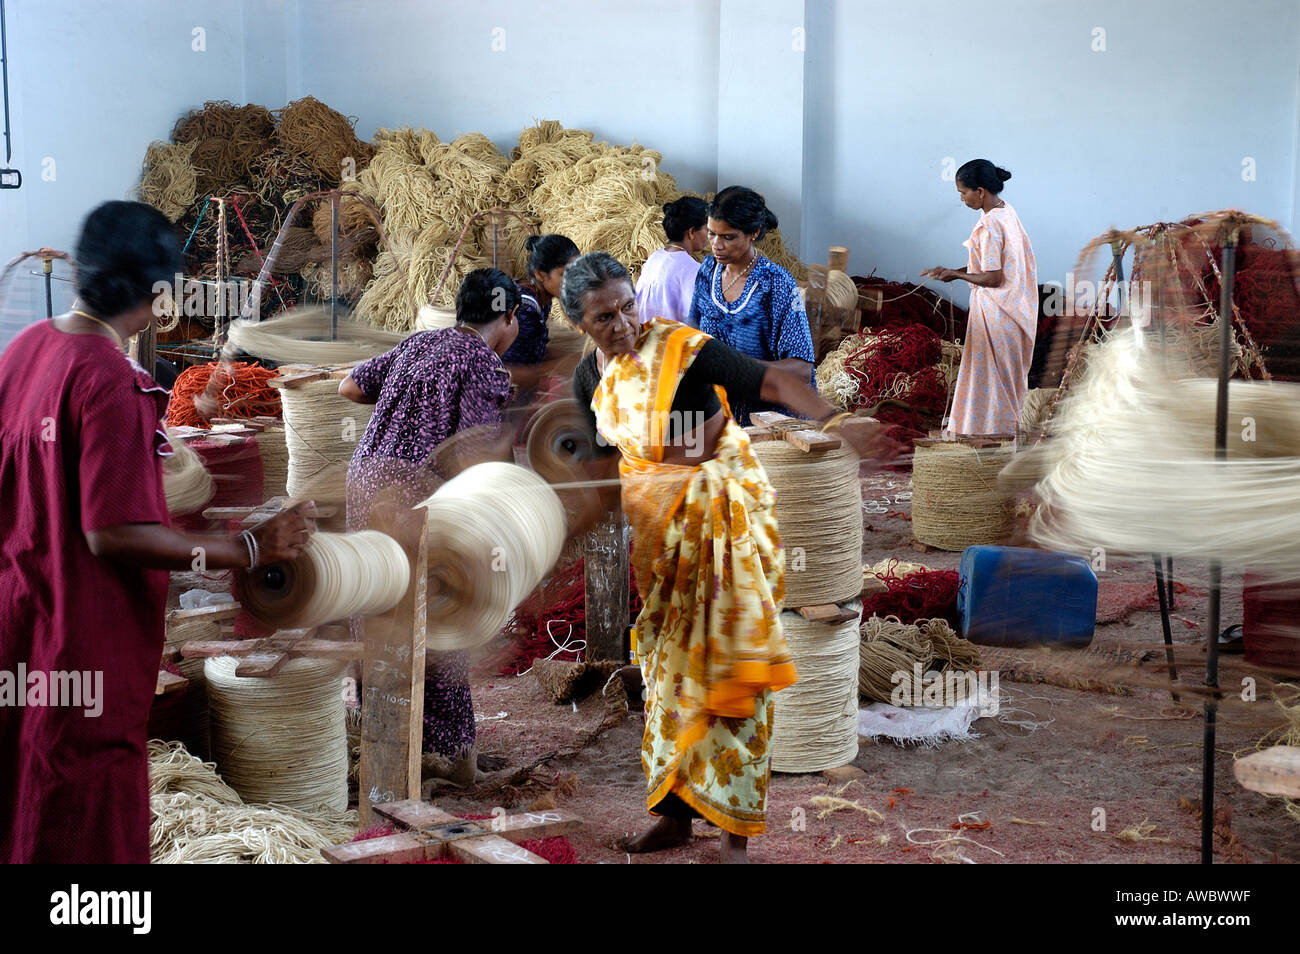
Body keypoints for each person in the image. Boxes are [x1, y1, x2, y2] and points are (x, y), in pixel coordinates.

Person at [0, 200, 312, 864]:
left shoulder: (26, 350)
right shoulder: (109, 379)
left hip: (21, 619)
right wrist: (245, 549)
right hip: (83, 637)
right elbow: (113, 533)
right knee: (81, 807)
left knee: (23, 780)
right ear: (159, 290)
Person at [564, 251, 886, 864]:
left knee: (730, 678)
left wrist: (835, 419)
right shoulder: (590, 379)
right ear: (580, 324)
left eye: (629, 305)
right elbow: (603, 465)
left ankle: (734, 837)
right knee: (666, 679)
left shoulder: (683, 350)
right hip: (661, 538)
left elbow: (772, 382)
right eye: (604, 317)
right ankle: (676, 817)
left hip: (724, 527)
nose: (625, 324)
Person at [339, 267, 520, 784]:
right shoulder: (483, 362)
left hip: (367, 479)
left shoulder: (418, 343)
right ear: (507, 318)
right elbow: (471, 450)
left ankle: (378, 729)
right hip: (413, 495)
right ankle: (448, 755)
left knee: (378, 605)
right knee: (441, 614)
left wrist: (407, 409)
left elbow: (350, 387)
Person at [921, 159, 1037, 435]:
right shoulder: (1007, 213)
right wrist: (952, 271)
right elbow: (993, 267)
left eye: (964, 192)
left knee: (991, 383)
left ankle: (986, 440)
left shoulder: (989, 226)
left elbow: (994, 278)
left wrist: (957, 275)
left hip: (998, 315)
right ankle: (1003, 441)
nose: (962, 199)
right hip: (1017, 312)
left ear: (981, 191)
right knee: (1007, 384)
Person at [687, 185, 816, 425]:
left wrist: (736, 369)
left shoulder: (776, 285)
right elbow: (691, 331)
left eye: (728, 237)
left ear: (754, 232)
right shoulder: (707, 272)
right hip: (719, 417)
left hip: (771, 422)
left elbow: (801, 370)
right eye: (712, 233)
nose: (716, 244)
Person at [503, 234, 580, 395]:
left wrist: (573, 359)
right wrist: (556, 367)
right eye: (564, 275)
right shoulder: (523, 308)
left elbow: (528, 349)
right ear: (540, 274)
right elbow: (503, 374)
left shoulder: (542, 301)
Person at [635, 197, 708, 326]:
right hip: (669, 342)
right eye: (707, 229)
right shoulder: (692, 269)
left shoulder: (654, 257)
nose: (710, 235)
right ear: (691, 232)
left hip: (642, 338)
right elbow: (698, 320)